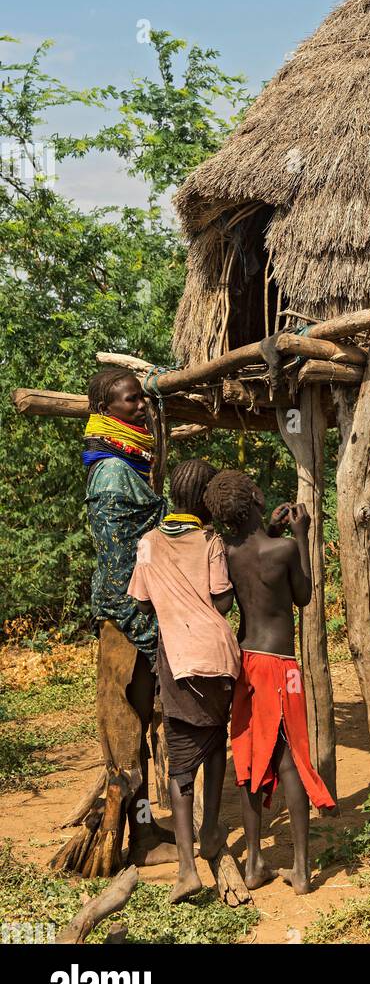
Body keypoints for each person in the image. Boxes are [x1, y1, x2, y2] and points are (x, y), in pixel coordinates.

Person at [203, 470, 336, 894]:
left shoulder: (226, 551)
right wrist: (301, 536)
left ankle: (255, 861)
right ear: (258, 496)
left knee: (249, 759)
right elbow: (303, 595)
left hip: (245, 663)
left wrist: (276, 530)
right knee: (289, 759)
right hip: (281, 665)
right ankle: (300, 869)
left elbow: (250, 560)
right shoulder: (285, 550)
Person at [127, 459, 241, 903]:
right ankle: (211, 830)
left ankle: (188, 868)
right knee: (215, 745)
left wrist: (169, 604)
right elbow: (223, 601)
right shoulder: (212, 540)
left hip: (176, 662)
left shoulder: (149, 542)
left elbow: (139, 603)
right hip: (217, 656)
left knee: (180, 765)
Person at [83, 366, 176, 869]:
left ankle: (145, 831)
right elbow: (120, 568)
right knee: (130, 733)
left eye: (142, 398)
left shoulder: (126, 462)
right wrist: (150, 637)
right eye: (130, 401)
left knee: (138, 729)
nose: (141, 406)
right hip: (129, 622)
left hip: (138, 614)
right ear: (105, 410)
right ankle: (138, 839)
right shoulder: (114, 475)